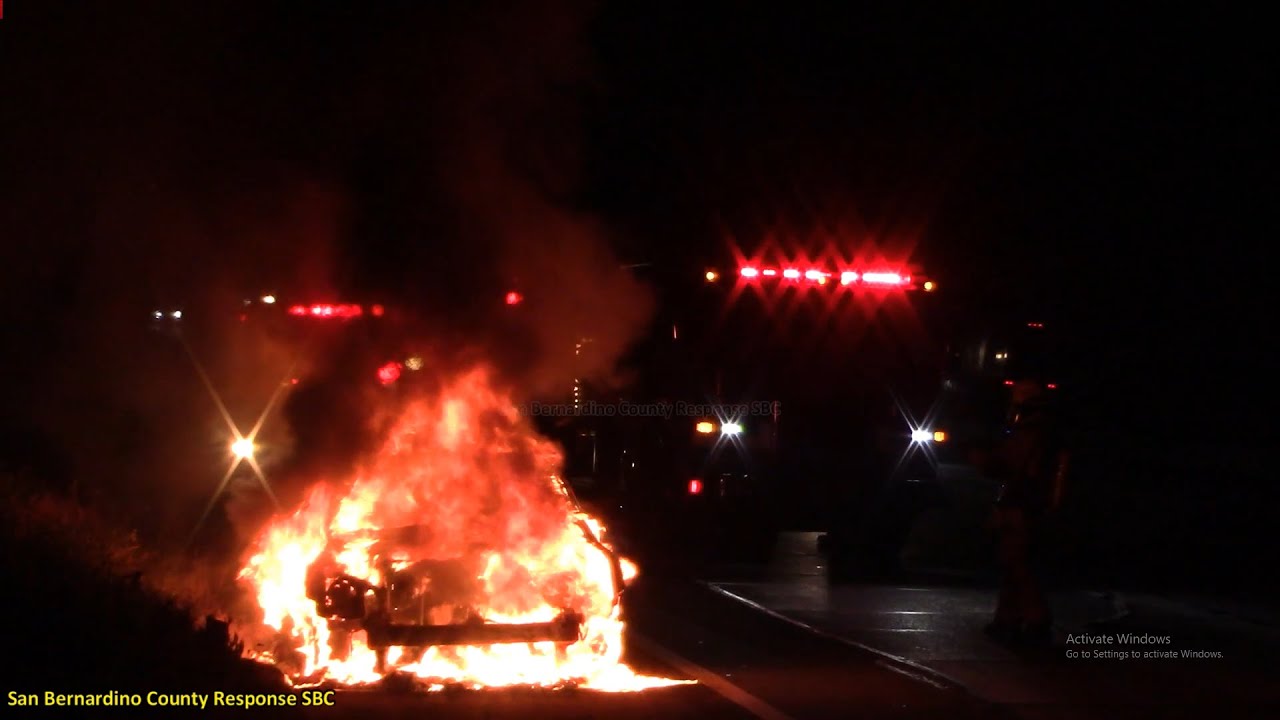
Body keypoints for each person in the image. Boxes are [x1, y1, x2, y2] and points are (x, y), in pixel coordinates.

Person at [982, 381, 1069, 646]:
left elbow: (1008, 468)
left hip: (1022, 508)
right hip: (1029, 507)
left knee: (1018, 565)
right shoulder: (1050, 435)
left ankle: (1036, 619)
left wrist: (983, 458)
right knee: (1014, 565)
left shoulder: (1028, 435)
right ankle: (1007, 619)